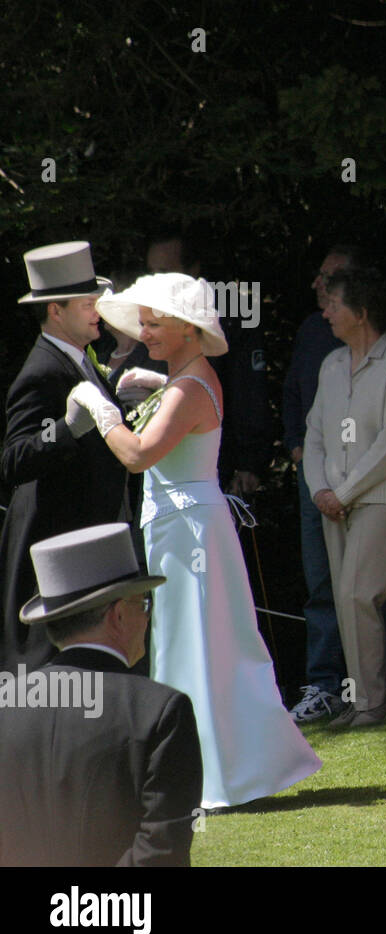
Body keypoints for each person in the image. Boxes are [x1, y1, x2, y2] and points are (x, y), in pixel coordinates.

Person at [68, 272, 321, 807]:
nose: (147, 333)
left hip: (190, 532)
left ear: (186, 328)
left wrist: (101, 408)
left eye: (155, 325)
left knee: (199, 648)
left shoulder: (189, 385)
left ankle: (207, 776)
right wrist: (153, 384)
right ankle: (213, 771)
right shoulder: (187, 379)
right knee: (197, 646)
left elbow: (138, 455)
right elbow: (190, 405)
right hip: (185, 528)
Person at [0, 523, 201, 865]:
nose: (147, 618)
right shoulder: (160, 711)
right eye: (144, 604)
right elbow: (162, 849)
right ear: (119, 615)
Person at [304, 267, 386, 728]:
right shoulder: (331, 364)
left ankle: (372, 701)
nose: (325, 311)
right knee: (344, 597)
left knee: (359, 593)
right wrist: (320, 489)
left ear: (362, 311)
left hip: (382, 495)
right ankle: (362, 700)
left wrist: (344, 493)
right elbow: (314, 433)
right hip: (334, 499)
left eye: (334, 303)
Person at [1, 241, 129, 674]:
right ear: (56, 311)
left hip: (84, 537)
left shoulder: (78, 358)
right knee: (48, 663)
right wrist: (66, 430)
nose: (99, 311)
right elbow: (14, 459)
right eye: (88, 303)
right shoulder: (41, 371)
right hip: (55, 542)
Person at [282, 244, 360, 723]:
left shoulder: (379, 342)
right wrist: (294, 444)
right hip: (314, 476)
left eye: (330, 280)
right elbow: (294, 391)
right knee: (321, 585)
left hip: (364, 476)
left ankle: (371, 684)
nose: (318, 287)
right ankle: (325, 684)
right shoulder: (313, 331)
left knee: (369, 585)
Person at [146, 233, 273, 496]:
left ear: (193, 270)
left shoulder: (234, 310)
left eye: (165, 272)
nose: (156, 282)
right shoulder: (147, 315)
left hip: (218, 460)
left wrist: (249, 462)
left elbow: (249, 390)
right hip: (162, 459)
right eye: (152, 273)